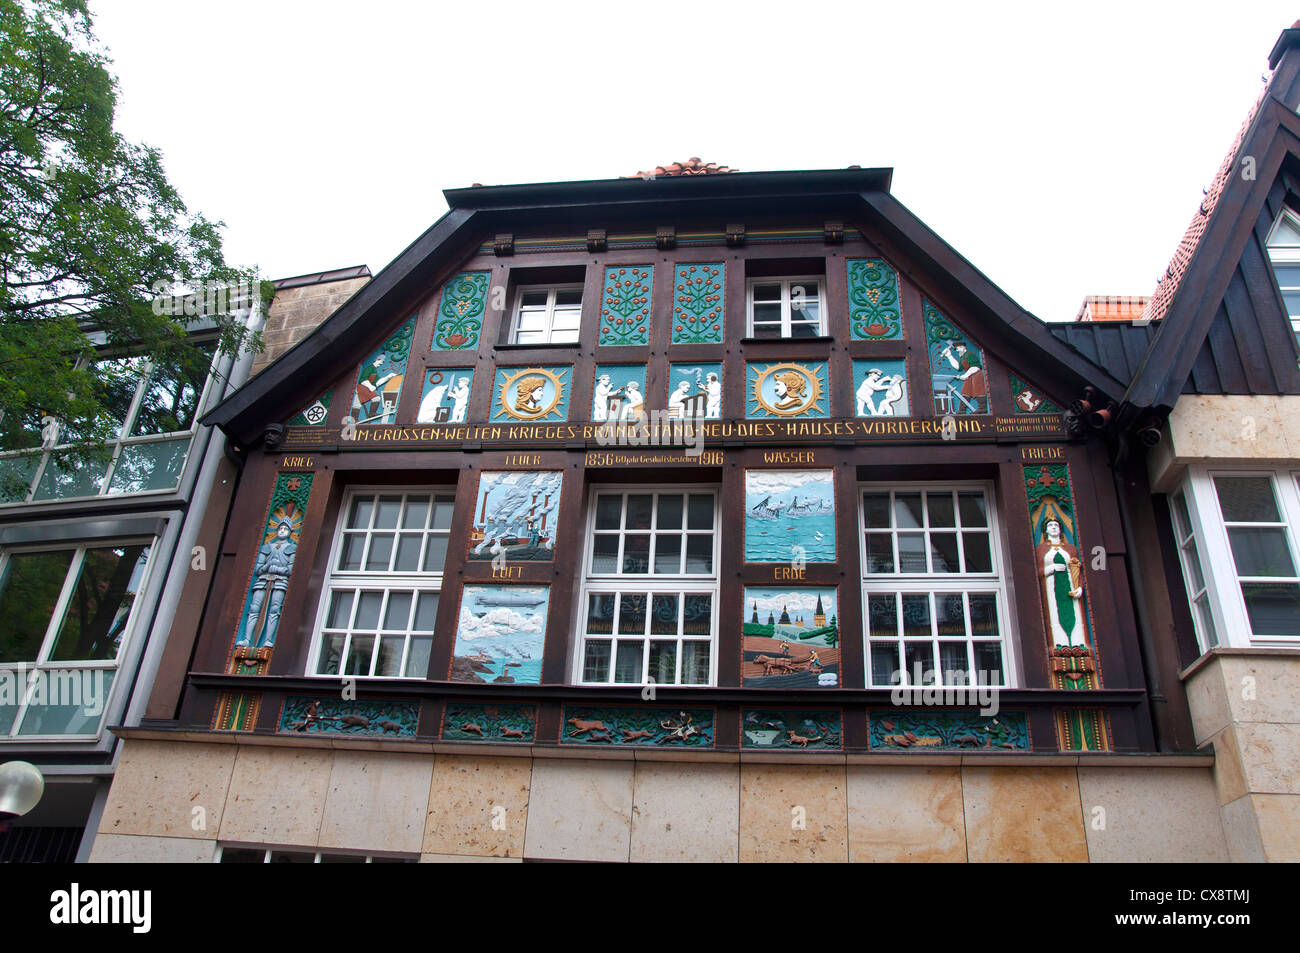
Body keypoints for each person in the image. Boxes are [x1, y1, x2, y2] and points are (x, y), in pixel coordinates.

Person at [236, 518, 297, 648]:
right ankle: (247, 639)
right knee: (254, 608)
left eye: (285, 529)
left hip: (280, 581)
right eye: (280, 528)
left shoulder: (292, 548)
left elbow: (290, 569)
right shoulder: (267, 547)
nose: (282, 531)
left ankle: (268, 640)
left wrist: (278, 569)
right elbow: (258, 568)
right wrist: (267, 566)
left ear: (290, 532)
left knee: (274, 609)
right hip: (263, 580)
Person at [1035, 519, 1086, 648]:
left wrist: (1079, 587)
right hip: (1051, 586)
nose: (1053, 527)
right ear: (1045, 530)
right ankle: (1060, 643)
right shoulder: (1041, 549)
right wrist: (1050, 569)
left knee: (1075, 613)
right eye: (1050, 525)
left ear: (1060, 529)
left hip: (1068, 585)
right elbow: (1037, 571)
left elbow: (1076, 569)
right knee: (1054, 614)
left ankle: (1078, 643)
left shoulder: (1070, 549)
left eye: (1056, 525)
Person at [942, 342, 986, 413]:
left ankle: (982, 408)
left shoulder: (969, 355)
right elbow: (958, 367)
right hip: (969, 376)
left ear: (963, 347)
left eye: (958, 348)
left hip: (976, 375)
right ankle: (962, 410)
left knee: (979, 391)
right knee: (965, 391)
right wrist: (949, 356)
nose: (957, 350)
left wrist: (965, 375)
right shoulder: (963, 357)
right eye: (956, 349)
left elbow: (976, 367)